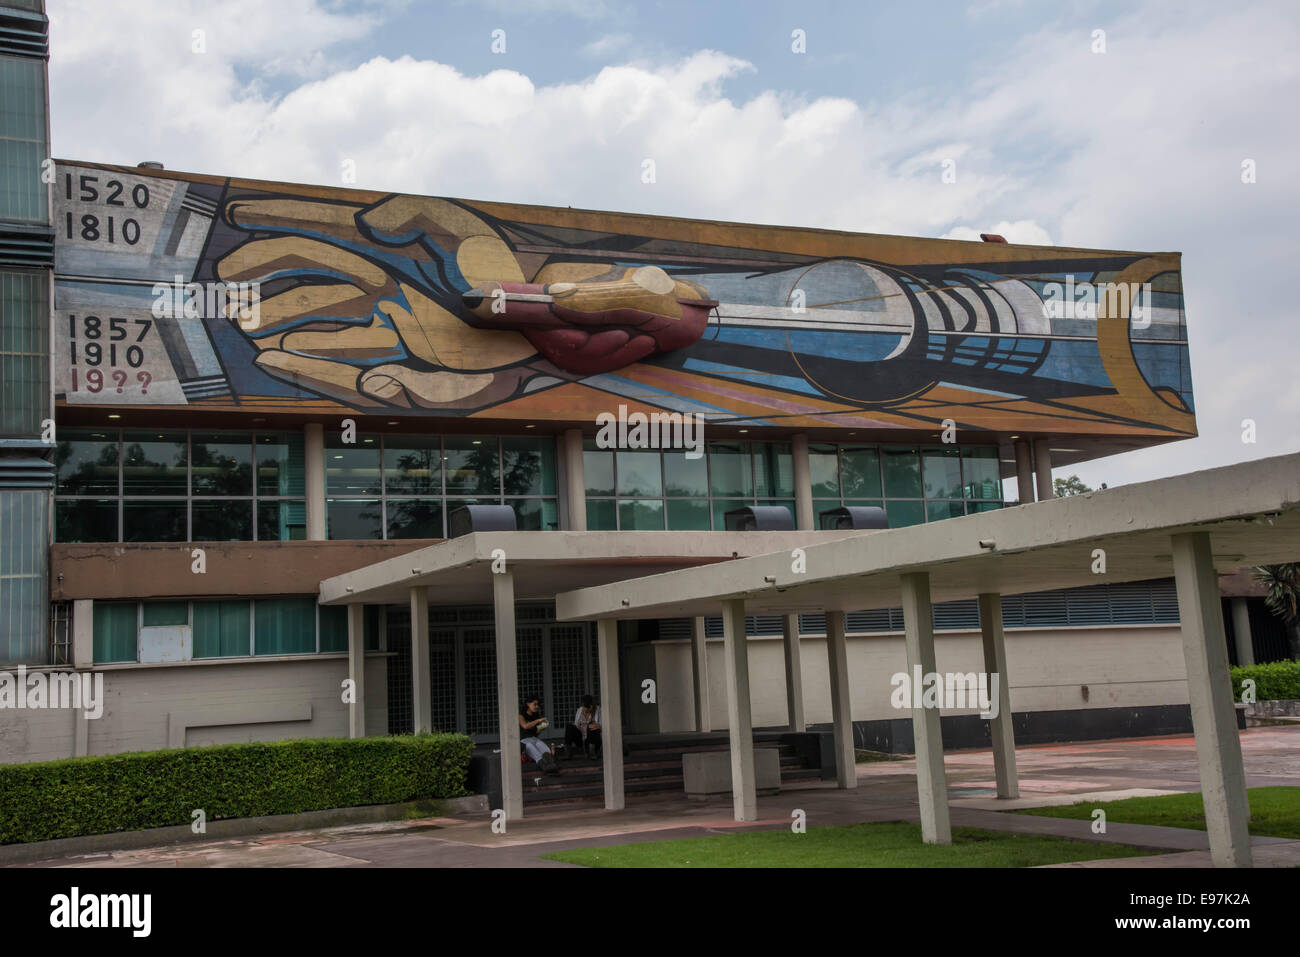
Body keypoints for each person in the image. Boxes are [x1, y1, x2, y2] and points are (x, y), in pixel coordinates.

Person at [519, 695, 558, 772]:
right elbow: (525, 726)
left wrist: (543, 726)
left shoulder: (536, 716)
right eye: (535, 704)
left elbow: (536, 732)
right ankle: (545, 767)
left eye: (538, 705)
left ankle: (552, 765)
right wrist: (538, 721)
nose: (537, 706)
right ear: (528, 704)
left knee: (545, 749)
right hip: (524, 741)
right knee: (533, 749)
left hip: (534, 738)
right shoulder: (521, 716)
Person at [564, 695, 602, 760]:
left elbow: (604, 726)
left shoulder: (599, 710)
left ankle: (592, 753)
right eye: (583, 706)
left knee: (591, 725)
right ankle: (568, 753)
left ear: (590, 707)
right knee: (569, 726)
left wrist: (599, 726)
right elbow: (576, 725)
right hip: (582, 739)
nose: (583, 708)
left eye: (585, 707)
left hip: (593, 740)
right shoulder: (580, 710)